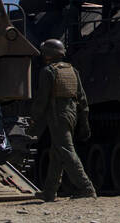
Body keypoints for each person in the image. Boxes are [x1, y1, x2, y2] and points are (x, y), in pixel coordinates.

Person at [29, 39, 95, 201]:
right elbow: (82, 99)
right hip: (71, 114)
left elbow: (42, 100)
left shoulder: (48, 71)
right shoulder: (72, 71)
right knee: (56, 152)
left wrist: (34, 119)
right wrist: (84, 122)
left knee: (65, 150)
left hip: (57, 115)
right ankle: (49, 192)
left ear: (48, 54)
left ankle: (86, 187)